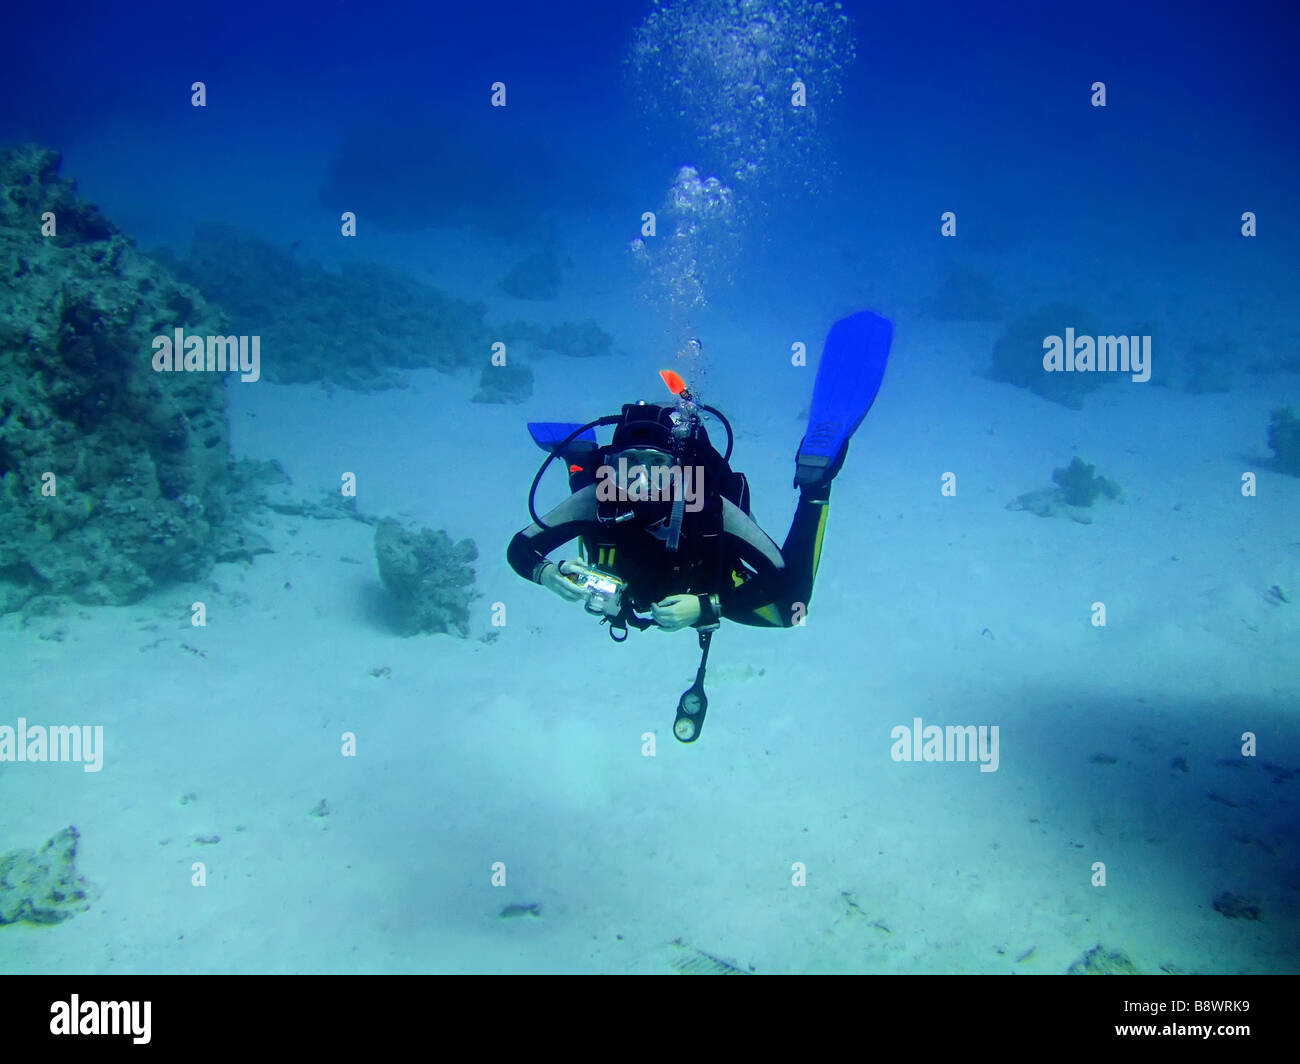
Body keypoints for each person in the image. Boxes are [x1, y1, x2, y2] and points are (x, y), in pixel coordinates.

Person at [506, 310, 892, 739]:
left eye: (656, 467)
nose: (641, 481)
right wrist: (543, 574)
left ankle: (815, 483)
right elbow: (520, 549)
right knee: (591, 536)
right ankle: (580, 455)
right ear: (611, 467)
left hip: (706, 580)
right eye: (628, 466)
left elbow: (780, 577)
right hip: (630, 578)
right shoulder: (600, 494)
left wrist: (709, 607)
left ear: (678, 469)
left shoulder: (706, 505)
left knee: (791, 613)